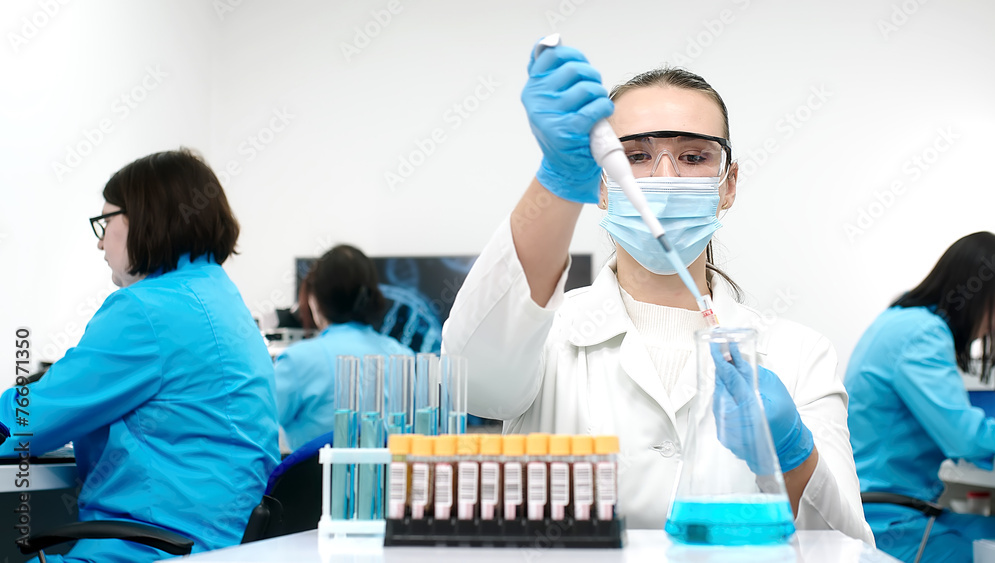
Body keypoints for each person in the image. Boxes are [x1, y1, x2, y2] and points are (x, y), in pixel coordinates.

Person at [441, 40, 874, 543]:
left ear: (728, 184)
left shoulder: (798, 355)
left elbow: (850, 548)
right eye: (635, 157)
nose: (665, 178)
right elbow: (475, 382)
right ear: (601, 184)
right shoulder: (550, 336)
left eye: (693, 157)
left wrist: (792, 452)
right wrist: (557, 176)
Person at [0, 149, 279, 562]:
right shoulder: (223, 297)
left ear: (145, 217)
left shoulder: (145, 310)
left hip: (147, 549)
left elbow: (30, 420)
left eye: (105, 222)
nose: (99, 241)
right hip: (220, 547)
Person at [846, 231, 995, 562]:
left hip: (879, 506)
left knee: (990, 527)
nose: (993, 326)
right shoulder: (923, 334)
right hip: (891, 522)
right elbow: (966, 439)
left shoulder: (898, 318)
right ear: (980, 297)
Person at [274, 244, 412, 450]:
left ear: (314, 300)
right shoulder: (403, 356)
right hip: (394, 471)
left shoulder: (297, 360)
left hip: (318, 472)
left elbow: (255, 425)